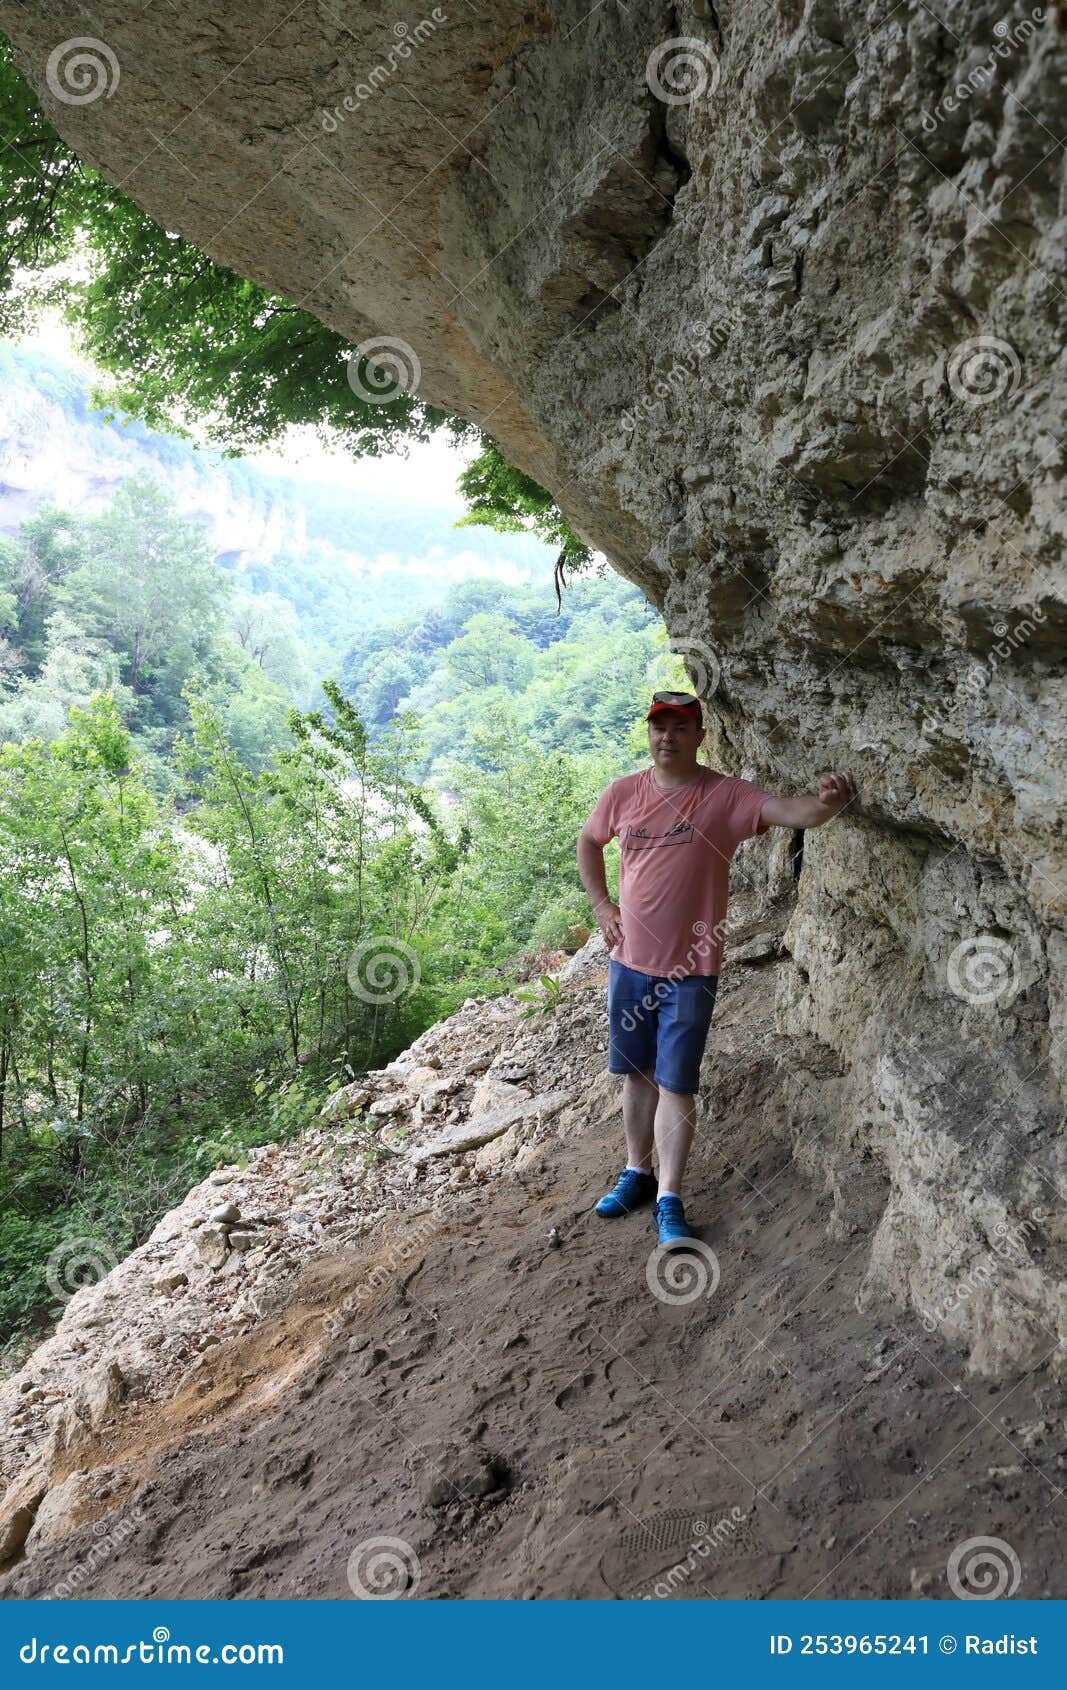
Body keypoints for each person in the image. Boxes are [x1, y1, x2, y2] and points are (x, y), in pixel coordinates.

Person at [576, 689, 853, 1250]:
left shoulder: (723, 796)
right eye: (660, 727)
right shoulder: (622, 794)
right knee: (637, 1074)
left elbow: (794, 812)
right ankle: (637, 1172)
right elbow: (588, 840)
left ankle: (669, 1199)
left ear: (700, 736)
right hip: (629, 964)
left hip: (690, 971)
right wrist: (602, 906)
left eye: (681, 728)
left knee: (677, 1084)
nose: (667, 737)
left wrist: (828, 802)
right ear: (649, 733)